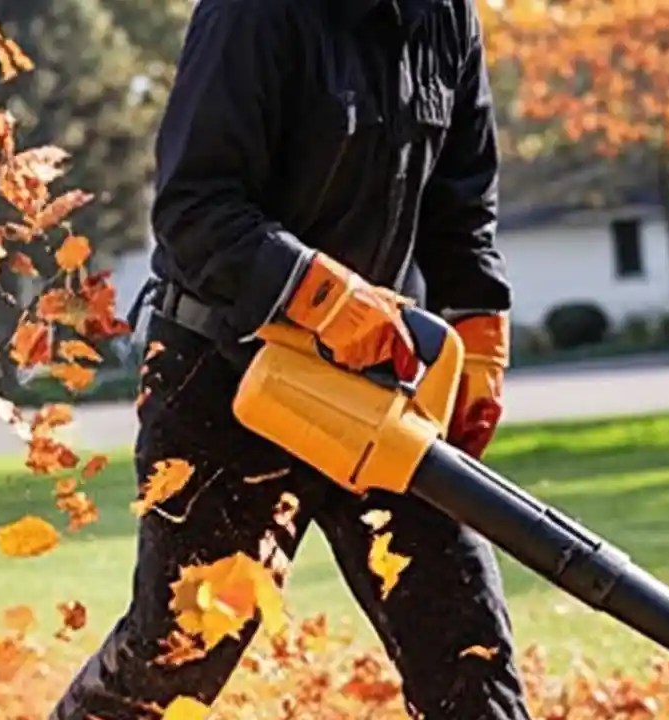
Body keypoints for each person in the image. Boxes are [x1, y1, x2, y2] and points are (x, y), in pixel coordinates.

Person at [50, 0, 530, 717]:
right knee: (178, 653)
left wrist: (482, 337)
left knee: (466, 642)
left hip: (381, 391)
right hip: (224, 382)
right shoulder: (253, 14)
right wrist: (325, 299)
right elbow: (194, 210)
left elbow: (462, 209)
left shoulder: (445, 15)